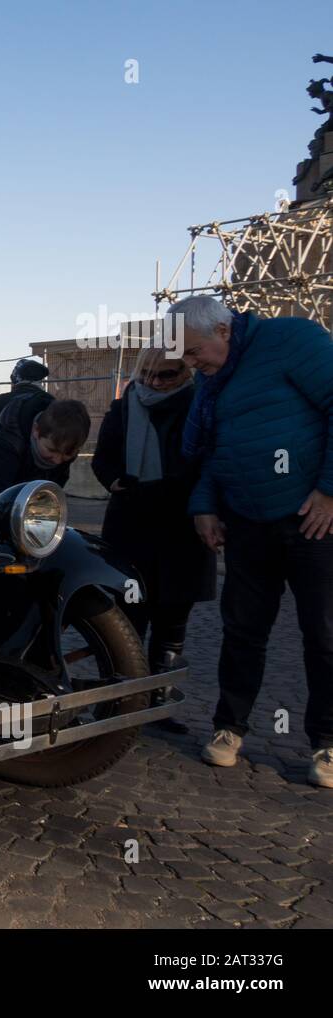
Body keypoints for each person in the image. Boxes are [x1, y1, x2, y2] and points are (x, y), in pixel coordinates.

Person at [173, 296, 333, 788]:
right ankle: (229, 728)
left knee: (324, 635)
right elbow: (214, 449)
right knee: (242, 630)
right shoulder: (212, 376)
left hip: (313, 518)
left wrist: (329, 491)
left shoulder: (294, 340)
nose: (190, 365)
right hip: (247, 520)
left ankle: (327, 744)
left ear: (223, 329)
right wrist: (204, 504)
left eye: (195, 352)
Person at [92, 345, 216, 733]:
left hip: (182, 524)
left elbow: (206, 461)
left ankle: (159, 701)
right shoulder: (127, 403)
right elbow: (103, 456)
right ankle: (122, 697)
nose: (155, 383)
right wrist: (113, 479)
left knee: (173, 616)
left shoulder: (199, 404)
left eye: (167, 375)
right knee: (128, 615)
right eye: (149, 374)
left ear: (185, 373)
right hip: (132, 521)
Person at [0, 396, 91, 531]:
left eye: (67, 454)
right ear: (36, 430)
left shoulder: (60, 449)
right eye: (51, 450)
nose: (57, 460)